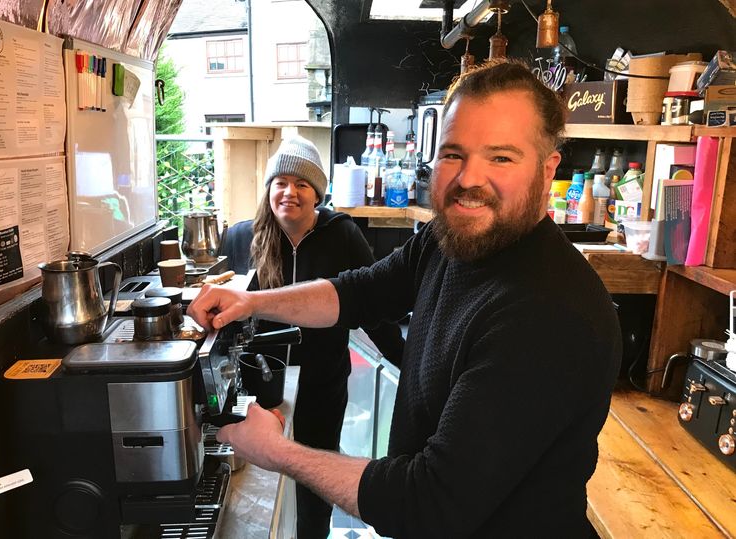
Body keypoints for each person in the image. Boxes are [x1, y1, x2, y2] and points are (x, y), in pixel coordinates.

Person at [188, 60, 622, 537]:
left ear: (547, 168)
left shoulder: (548, 315)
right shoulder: (449, 237)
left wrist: (277, 451)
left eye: (501, 157)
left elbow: (429, 501)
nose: (469, 179)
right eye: (454, 154)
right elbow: (358, 292)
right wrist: (250, 302)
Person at [217, 135, 405, 539]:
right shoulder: (240, 238)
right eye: (280, 182)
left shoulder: (343, 235)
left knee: (314, 478)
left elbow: (371, 308)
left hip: (323, 382)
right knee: (258, 479)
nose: (289, 192)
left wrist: (406, 361)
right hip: (260, 384)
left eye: (301, 184)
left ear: (317, 193)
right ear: (268, 188)